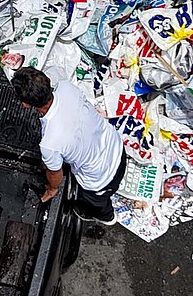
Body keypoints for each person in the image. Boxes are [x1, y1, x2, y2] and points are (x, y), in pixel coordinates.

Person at [11, 67, 126, 224]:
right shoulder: (67, 88)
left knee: (96, 204)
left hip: (101, 180)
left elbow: (55, 175)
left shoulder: (49, 144)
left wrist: (52, 189)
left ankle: (107, 218)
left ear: (25, 104)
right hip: (117, 147)